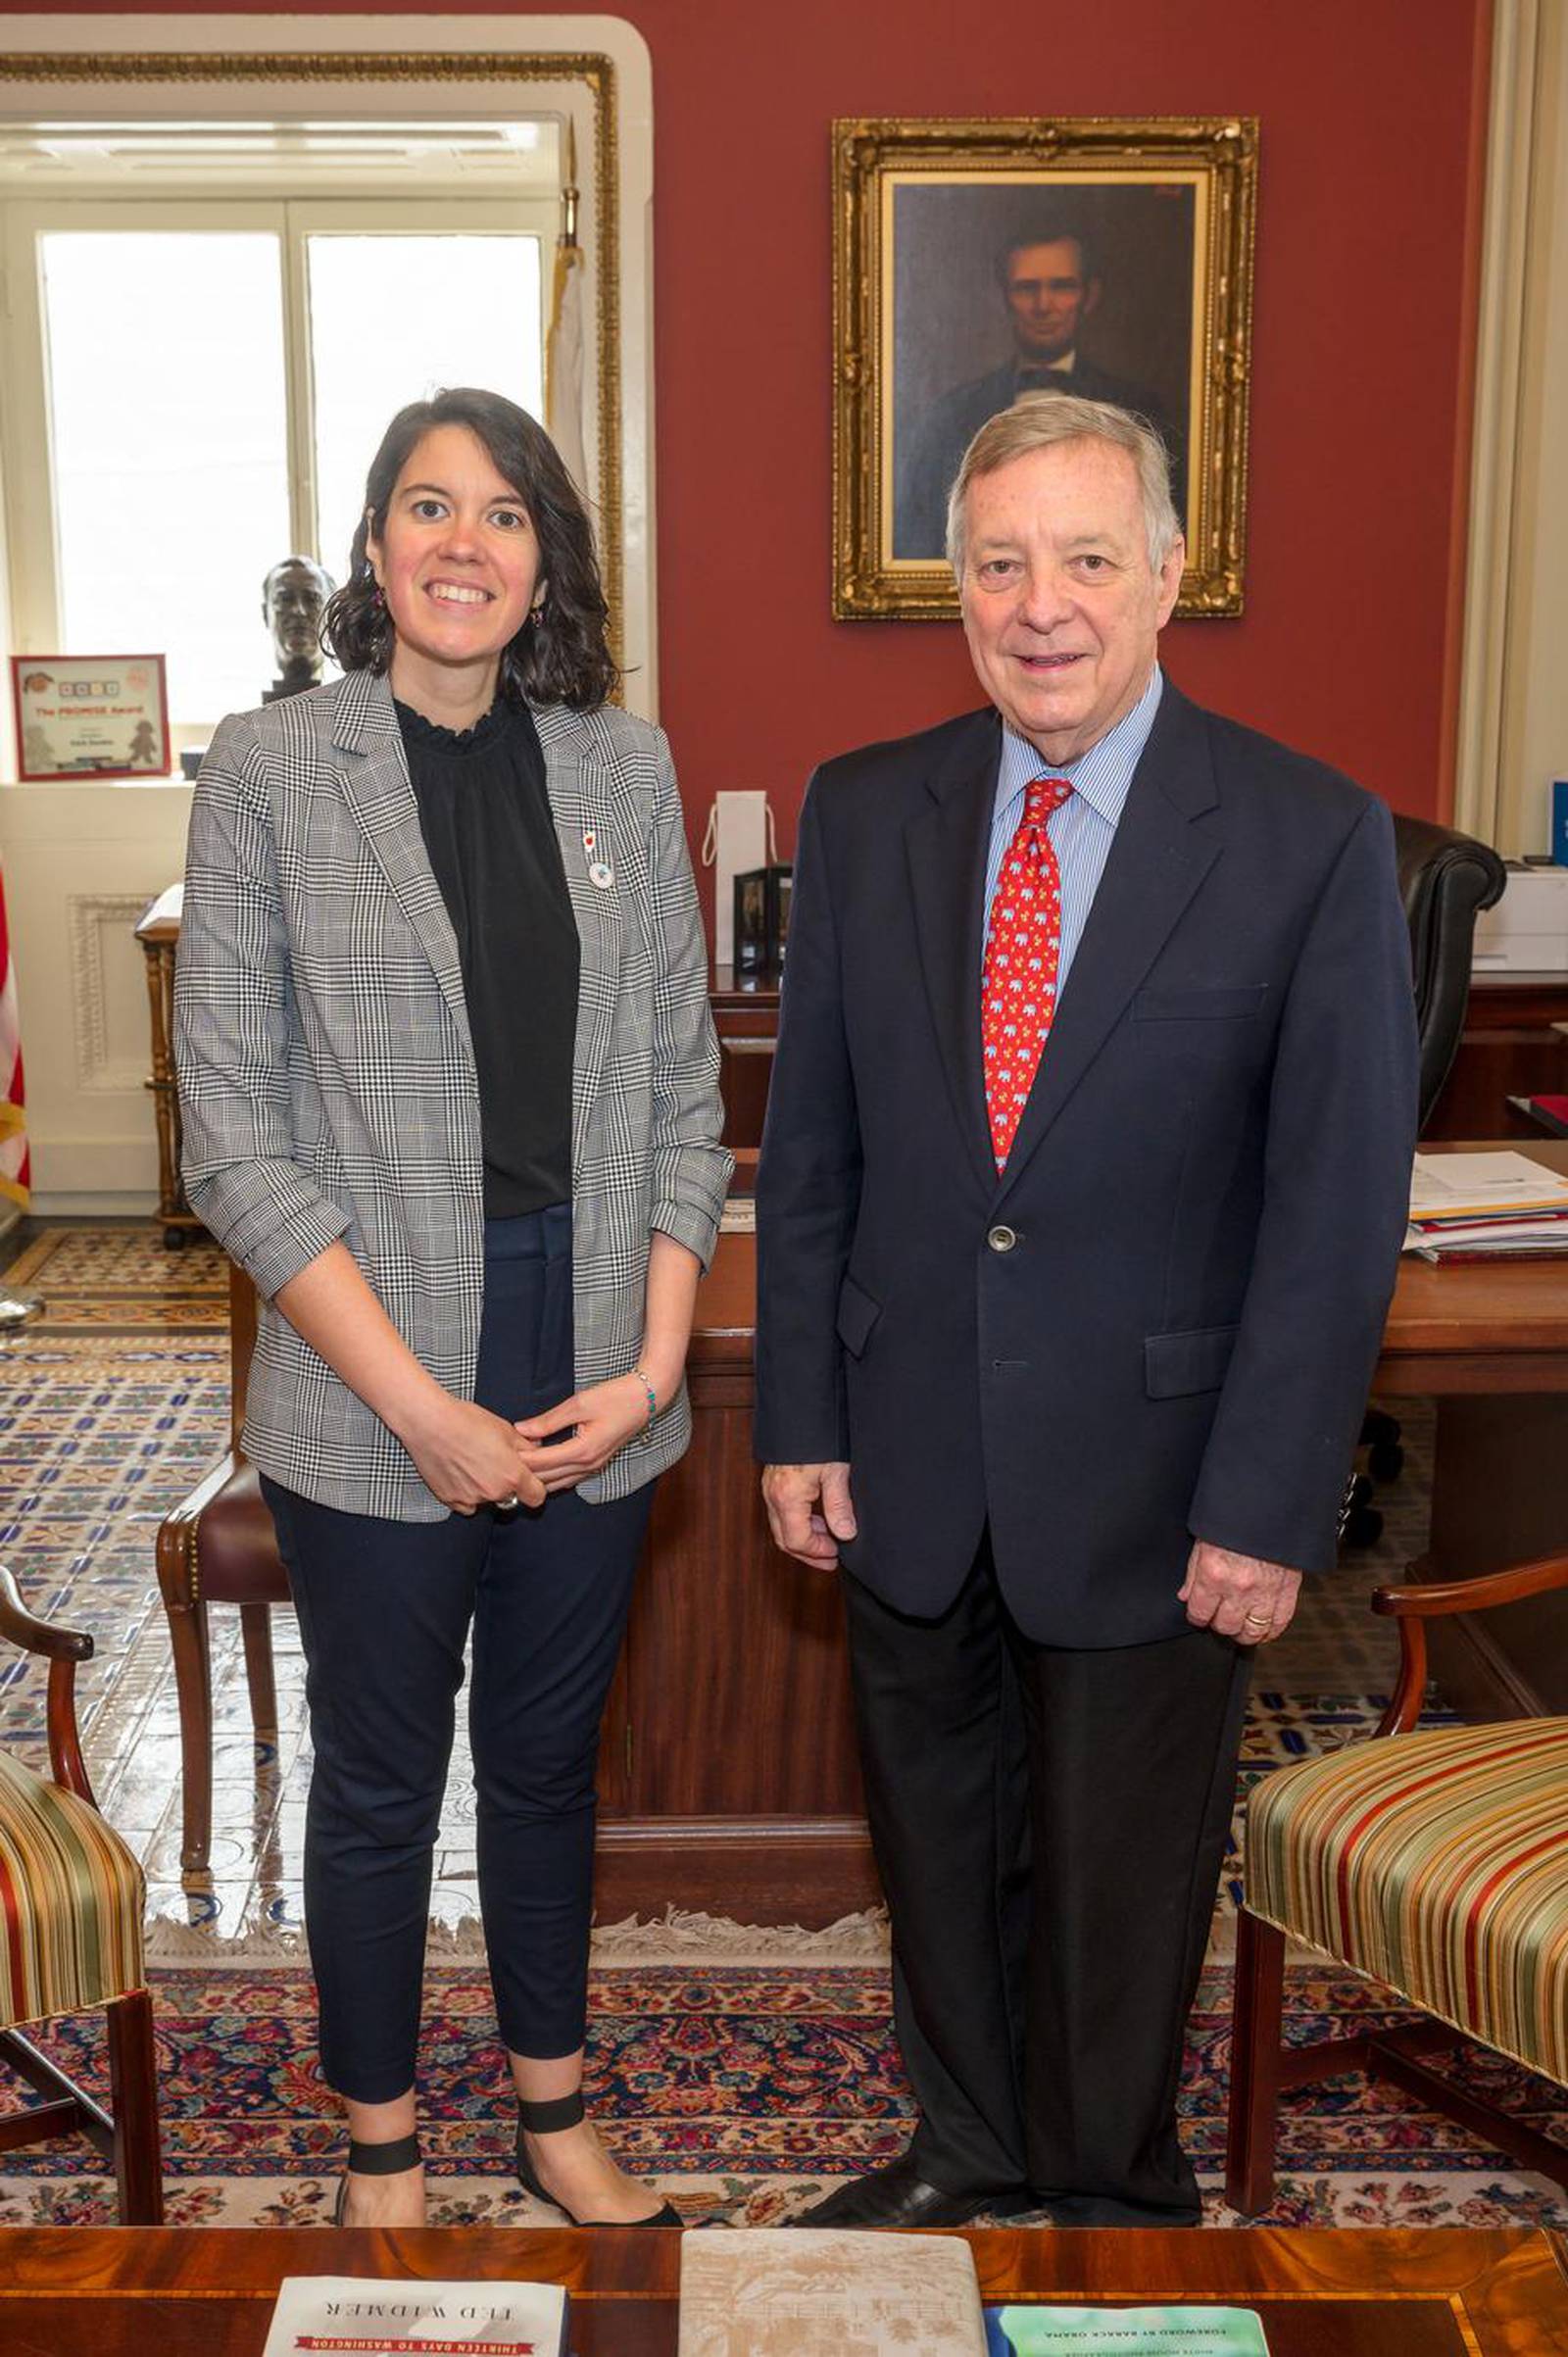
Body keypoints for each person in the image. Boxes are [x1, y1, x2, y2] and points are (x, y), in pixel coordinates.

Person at [756, 391, 1417, 2229]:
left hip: (1159, 1481)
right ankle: (965, 2152)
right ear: (955, 585)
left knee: (1125, 1885)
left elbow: (1334, 1213)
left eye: (1087, 559)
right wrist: (800, 1413)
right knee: (940, 1845)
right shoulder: (869, 810)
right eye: (999, 562)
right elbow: (813, 1150)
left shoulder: (1306, 836)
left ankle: (1113, 2198)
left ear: (1168, 577)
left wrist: (1271, 1506)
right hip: (905, 1455)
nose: (1041, 605)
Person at [176, 387, 731, 2230]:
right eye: (426, 506)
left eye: (502, 512)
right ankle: (383, 2152)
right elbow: (233, 1143)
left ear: (545, 557)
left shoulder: (620, 768)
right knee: (384, 1781)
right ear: (372, 548)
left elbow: (676, 1094)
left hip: (590, 1353)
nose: (462, 542)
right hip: (367, 1366)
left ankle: (554, 2117)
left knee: (550, 1767)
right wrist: (414, 1404)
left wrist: (653, 1365)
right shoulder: (272, 773)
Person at [894, 224, 1184, 560]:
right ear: (1004, 297)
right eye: (1026, 288)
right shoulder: (950, 416)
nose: (1043, 305)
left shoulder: (1141, 412)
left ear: (1089, 296)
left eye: (1062, 286)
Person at [261, 554, 334, 702]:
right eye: (285, 599)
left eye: (312, 599)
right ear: (266, 614)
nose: (299, 610)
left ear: (329, 615)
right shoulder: (242, 722)